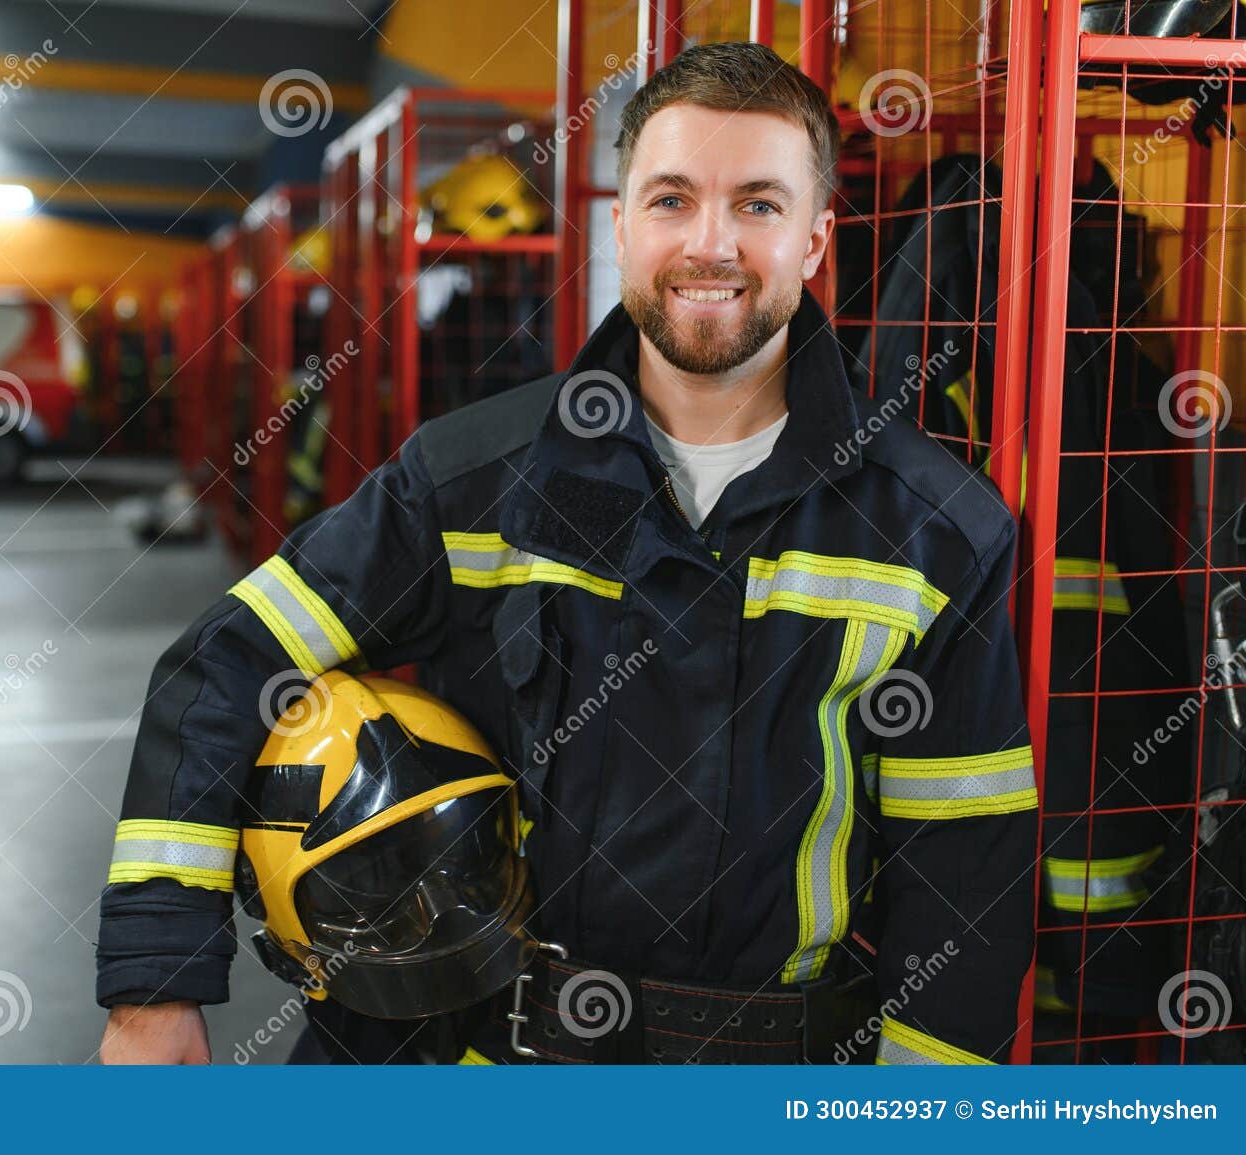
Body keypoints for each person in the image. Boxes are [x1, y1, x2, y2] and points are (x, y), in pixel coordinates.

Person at [97, 42, 1038, 1065]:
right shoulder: (470, 477)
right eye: (672, 199)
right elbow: (225, 666)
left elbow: (965, 867)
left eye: (758, 205)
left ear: (814, 239)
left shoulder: (935, 529)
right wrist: (154, 989)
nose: (710, 244)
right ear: (622, 223)